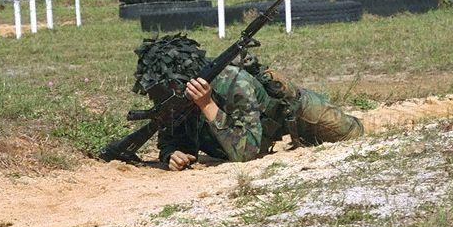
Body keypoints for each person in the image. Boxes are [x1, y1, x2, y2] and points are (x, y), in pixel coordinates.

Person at [132, 33, 364, 171]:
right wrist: (171, 154)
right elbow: (170, 140)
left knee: (353, 134)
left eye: (167, 87)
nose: (163, 95)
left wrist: (207, 104)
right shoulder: (177, 99)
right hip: (255, 136)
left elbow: (246, 153)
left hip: (289, 114)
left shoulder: (235, 82)